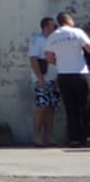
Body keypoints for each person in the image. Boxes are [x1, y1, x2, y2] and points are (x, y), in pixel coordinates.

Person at [47, 11, 90, 147]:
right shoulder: (77, 32)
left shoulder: (53, 37)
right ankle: (87, 136)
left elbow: (49, 58)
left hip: (63, 75)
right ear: (68, 20)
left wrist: (60, 62)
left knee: (70, 108)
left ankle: (74, 138)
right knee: (85, 106)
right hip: (79, 73)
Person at [29, 15, 61, 146]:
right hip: (42, 78)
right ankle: (37, 136)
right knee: (42, 107)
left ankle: (49, 135)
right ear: (46, 27)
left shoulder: (56, 41)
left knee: (51, 109)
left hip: (54, 78)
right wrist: (40, 78)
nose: (56, 28)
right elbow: (34, 59)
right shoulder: (38, 41)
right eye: (54, 26)